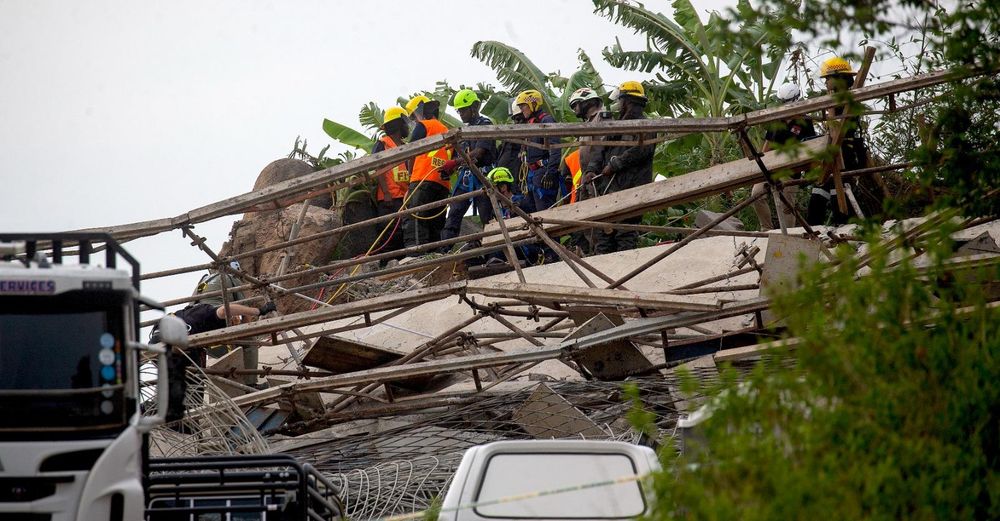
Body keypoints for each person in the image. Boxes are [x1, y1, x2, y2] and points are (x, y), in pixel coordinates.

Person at [582, 81, 655, 254]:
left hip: (631, 190)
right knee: (604, 234)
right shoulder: (617, 125)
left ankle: (624, 273)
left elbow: (642, 150)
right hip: (609, 190)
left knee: (625, 234)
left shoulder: (646, 126)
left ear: (628, 101)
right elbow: (599, 149)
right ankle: (603, 275)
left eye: (621, 101)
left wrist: (616, 164)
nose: (618, 105)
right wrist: (591, 169)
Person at [807, 56, 868, 225]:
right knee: (820, 192)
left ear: (839, 78)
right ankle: (815, 230)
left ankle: (843, 228)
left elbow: (837, 129)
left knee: (838, 190)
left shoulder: (846, 100)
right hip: (837, 151)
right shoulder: (841, 99)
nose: (825, 82)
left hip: (847, 151)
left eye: (828, 78)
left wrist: (830, 109)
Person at [750, 83, 817, 230]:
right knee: (756, 194)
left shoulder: (805, 121)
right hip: (771, 167)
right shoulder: (777, 119)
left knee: (786, 204)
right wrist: (760, 164)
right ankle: (766, 229)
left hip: (791, 170)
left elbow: (812, 146)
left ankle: (788, 234)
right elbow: (767, 144)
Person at [442, 89, 498, 241]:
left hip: (483, 177)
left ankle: (494, 252)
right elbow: (458, 154)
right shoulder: (463, 131)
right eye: (459, 111)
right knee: (454, 214)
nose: (460, 114)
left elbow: (479, 152)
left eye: (463, 110)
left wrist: (455, 162)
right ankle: (445, 250)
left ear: (474, 108)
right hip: (466, 177)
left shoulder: (485, 124)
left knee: (487, 216)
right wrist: (450, 168)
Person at [401, 95, 455, 248]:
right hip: (442, 184)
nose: (414, 121)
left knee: (415, 219)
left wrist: (411, 179)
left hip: (422, 179)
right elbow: (453, 160)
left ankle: (416, 255)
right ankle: (434, 253)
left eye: (413, 116)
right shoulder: (446, 130)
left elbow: (411, 152)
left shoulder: (424, 125)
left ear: (420, 111)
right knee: (435, 222)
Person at [371, 106, 410, 259]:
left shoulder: (406, 147)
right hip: (389, 198)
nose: (408, 127)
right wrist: (386, 192)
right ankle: (386, 262)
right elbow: (377, 166)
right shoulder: (382, 144)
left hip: (405, 196)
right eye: (405, 123)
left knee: (404, 231)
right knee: (389, 231)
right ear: (398, 125)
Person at [515, 89, 562, 213]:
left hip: (543, 171)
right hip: (532, 173)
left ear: (533, 104)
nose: (521, 110)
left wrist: (551, 172)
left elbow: (555, 148)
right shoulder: (531, 123)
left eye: (523, 106)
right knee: (531, 209)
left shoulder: (546, 120)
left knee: (544, 210)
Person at [496, 98, 527, 206]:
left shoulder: (530, 138)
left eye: (520, 119)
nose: (517, 123)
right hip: (507, 189)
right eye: (515, 120)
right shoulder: (507, 140)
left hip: (521, 186)